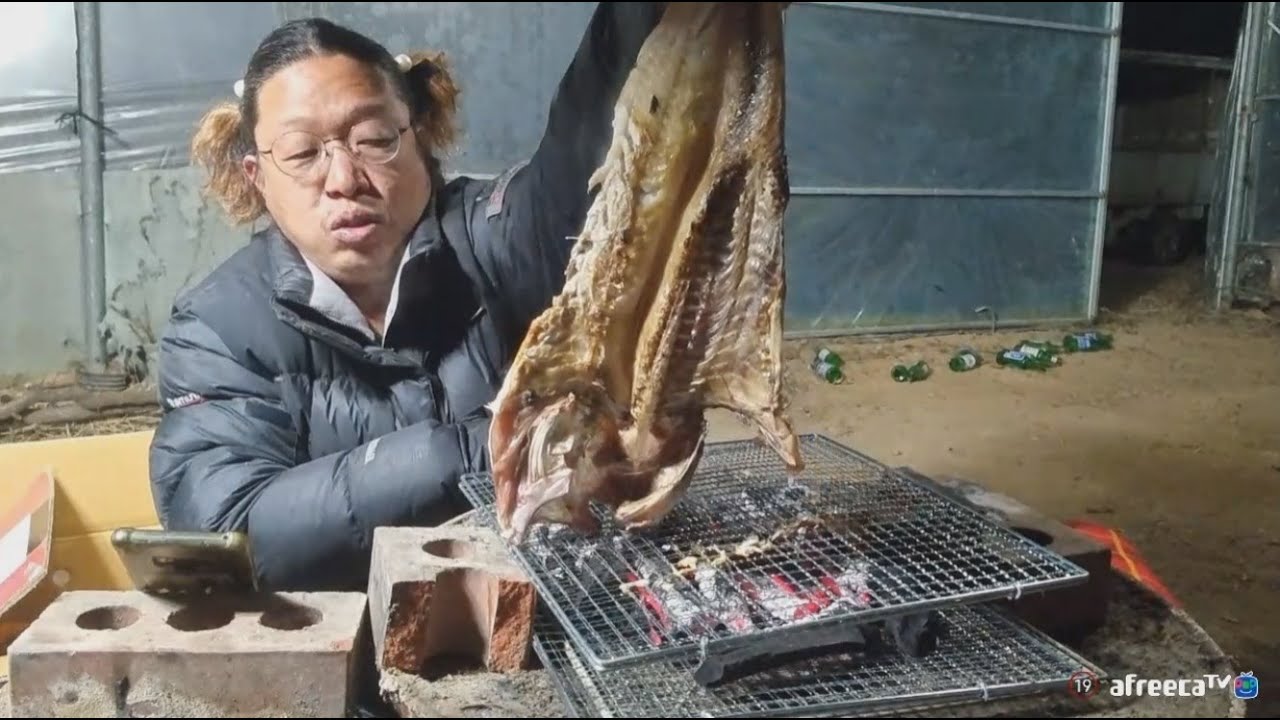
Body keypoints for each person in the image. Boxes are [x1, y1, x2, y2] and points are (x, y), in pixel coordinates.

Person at [148, 3, 669, 593]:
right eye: (300, 154)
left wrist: (640, 14)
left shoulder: (492, 233)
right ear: (256, 176)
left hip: (553, 605)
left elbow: (584, 155)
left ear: (417, 137)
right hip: (348, 645)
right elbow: (228, 530)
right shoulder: (218, 327)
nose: (344, 178)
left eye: (372, 140)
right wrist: (469, 452)